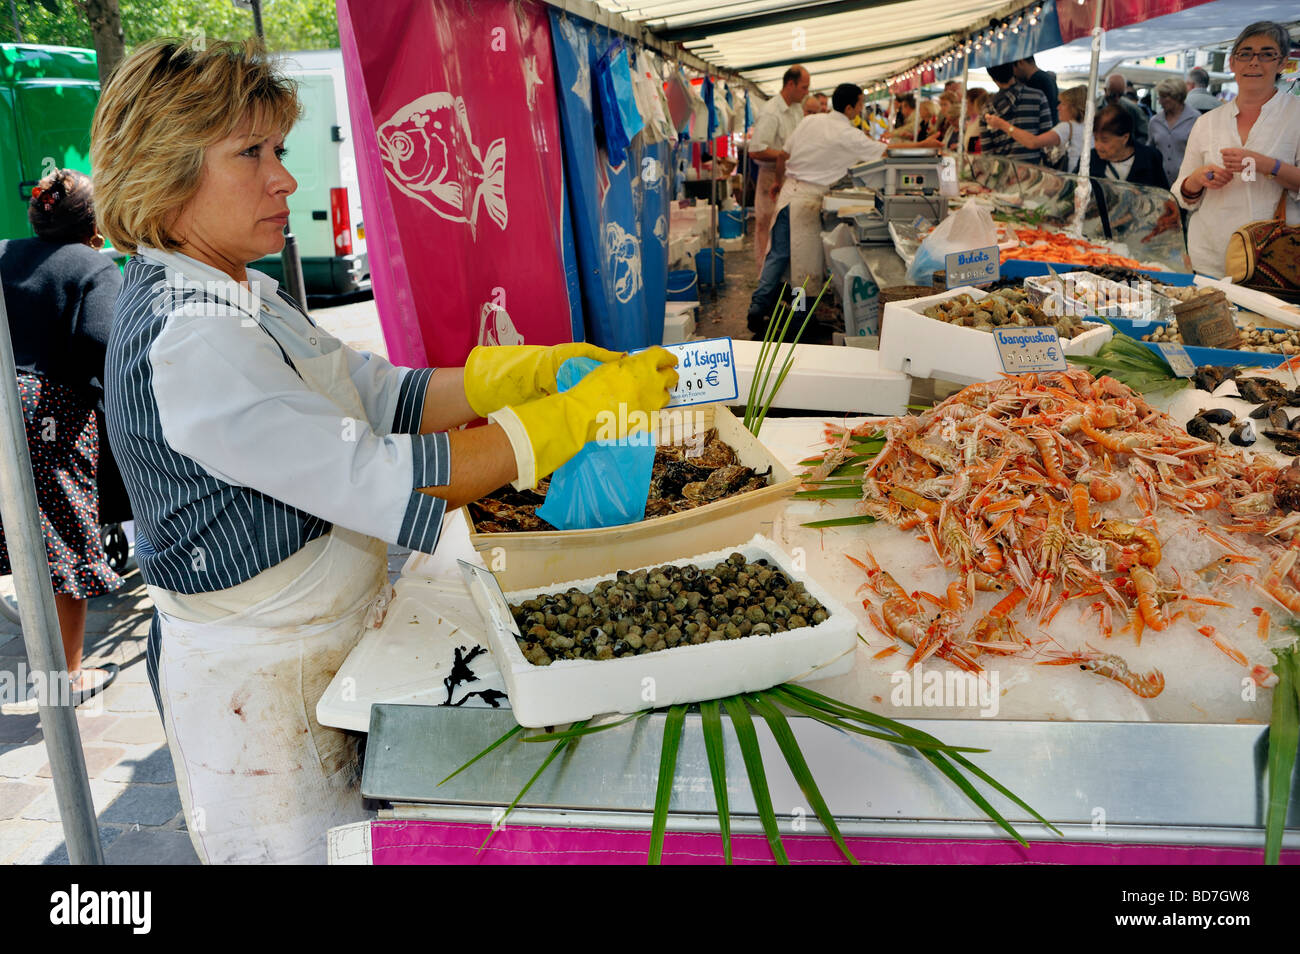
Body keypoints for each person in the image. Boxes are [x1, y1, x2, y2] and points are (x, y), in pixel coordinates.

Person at [91, 38, 678, 864]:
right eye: (250, 154)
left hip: (320, 641)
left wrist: (516, 375)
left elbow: (374, 393)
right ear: (165, 169)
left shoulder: (237, 290)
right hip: (261, 689)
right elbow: (381, 475)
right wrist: (565, 422)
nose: (284, 178)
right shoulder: (191, 337)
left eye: (280, 150)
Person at [0, 170, 124, 706]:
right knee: (64, 542)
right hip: (48, 410)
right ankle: (64, 679)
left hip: (4, 396)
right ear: (96, 227)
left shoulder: (4, 252)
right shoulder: (93, 264)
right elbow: (105, 341)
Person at [747, 83, 887, 333]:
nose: (861, 109)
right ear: (850, 107)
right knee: (804, 272)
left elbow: (782, 156)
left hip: (789, 193)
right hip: (808, 202)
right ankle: (800, 322)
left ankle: (758, 308)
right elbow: (886, 153)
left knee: (777, 256)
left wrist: (779, 182)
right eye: (860, 104)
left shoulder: (810, 122)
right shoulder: (849, 134)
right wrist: (928, 144)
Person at [1173, 21, 1300, 278]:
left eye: (1266, 54)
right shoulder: (1206, 122)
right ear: (1232, 63)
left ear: (1282, 63)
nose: (1254, 62)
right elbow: (1180, 193)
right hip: (1209, 259)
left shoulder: (1295, 114)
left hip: (1273, 264)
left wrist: (1267, 165)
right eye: (1245, 54)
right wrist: (1197, 179)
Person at [749, 65, 810, 268]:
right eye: (803, 87)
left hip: (790, 175)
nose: (806, 92)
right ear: (790, 84)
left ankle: (781, 278)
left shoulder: (796, 109)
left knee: (785, 229)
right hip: (770, 176)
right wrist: (784, 156)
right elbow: (756, 150)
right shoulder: (771, 112)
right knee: (766, 226)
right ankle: (765, 278)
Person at [984, 85, 1087, 173]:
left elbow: (1033, 142)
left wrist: (1002, 124)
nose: (1058, 107)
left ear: (1073, 107)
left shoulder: (1066, 128)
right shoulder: (1085, 127)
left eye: (1063, 104)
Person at [980, 62, 1052, 164]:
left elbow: (987, 152)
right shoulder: (1038, 96)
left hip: (1004, 171)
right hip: (1034, 169)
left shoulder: (987, 108)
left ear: (992, 77)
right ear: (1013, 69)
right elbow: (1047, 138)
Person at [1149, 77, 1201, 186]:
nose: (1159, 101)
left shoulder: (1195, 119)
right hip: (1160, 182)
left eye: (1163, 97)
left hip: (1187, 182)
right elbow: (1150, 150)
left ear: (1176, 97)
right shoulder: (1155, 121)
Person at [1102, 73, 1149, 145]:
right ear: (1105, 90)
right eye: (1113, 95)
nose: (1117, 99)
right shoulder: (1093, 106)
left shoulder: (1132, 108)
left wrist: (1131, 148)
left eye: (1120, 95)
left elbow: (1144, 133)